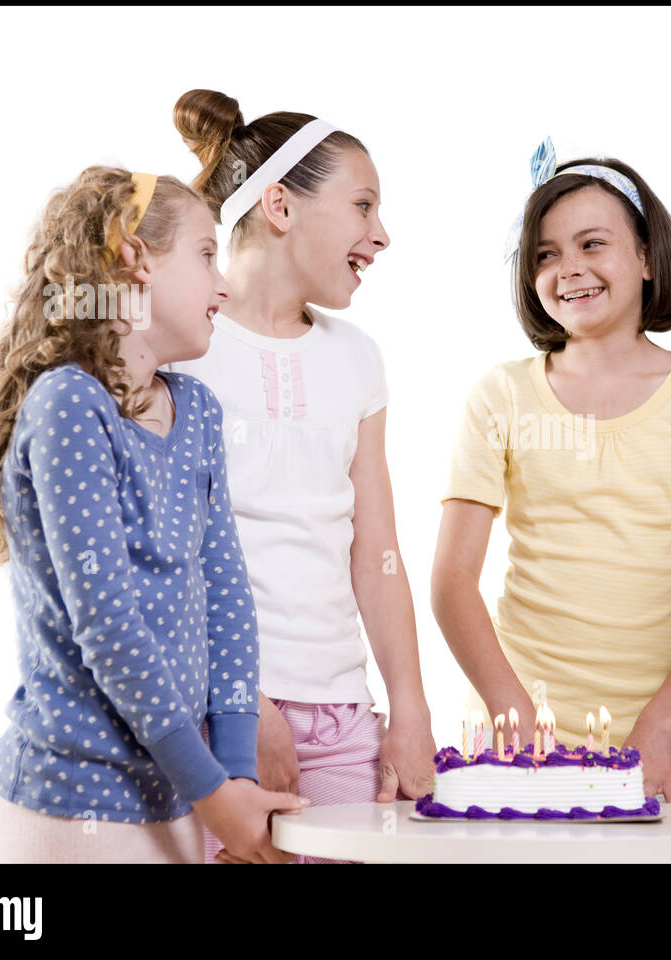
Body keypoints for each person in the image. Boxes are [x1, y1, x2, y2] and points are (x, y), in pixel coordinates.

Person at [0, 166, 306, 863]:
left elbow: (227, 599)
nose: (225, 283)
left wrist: (234, 777)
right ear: (136, 259)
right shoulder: (69, 407)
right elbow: (108, 624)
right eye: (207, 255)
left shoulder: (198, 410)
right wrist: (216, 793)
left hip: (175, 793)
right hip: (72, 795)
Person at [432, 139, 671, 804]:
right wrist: (511, 715)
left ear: (644, 256)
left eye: (591, 244)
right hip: (508, 752)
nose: (568, 268)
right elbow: (452, 578)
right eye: (545, 254)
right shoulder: (502, 394)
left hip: (649, 753)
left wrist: (661, 723)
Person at [169, 89, 436, 863]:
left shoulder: (357, 359)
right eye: (362, 206)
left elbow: (376, 548)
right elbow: (166, 558)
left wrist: (409, 707)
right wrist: (241, 703)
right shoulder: (190, 343)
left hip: (342, 715)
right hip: (215, 715)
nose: (380, 234)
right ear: (280, 205)